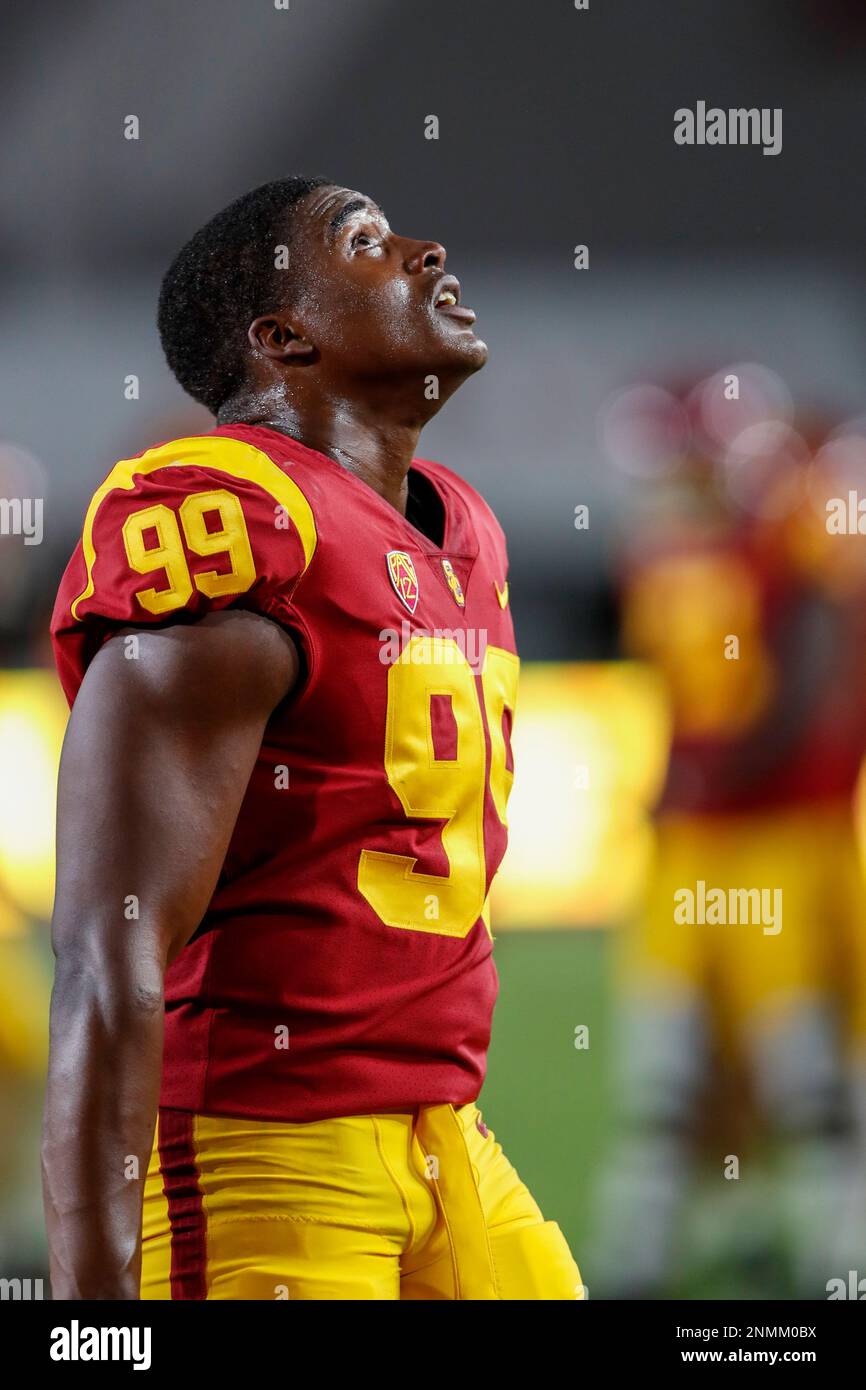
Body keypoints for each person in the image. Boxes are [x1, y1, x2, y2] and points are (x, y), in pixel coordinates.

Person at [43, 177, 583, 1301]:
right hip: (265, 1154)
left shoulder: (457, 528)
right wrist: (94, 1320)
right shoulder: (227, 524)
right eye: (367, 241)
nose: (426, 250)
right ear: (282, 337)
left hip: (449, 1142)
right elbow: (110, 951)